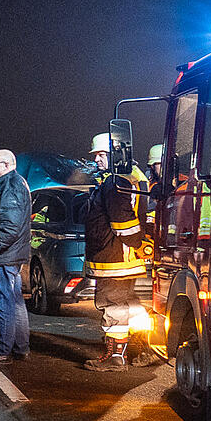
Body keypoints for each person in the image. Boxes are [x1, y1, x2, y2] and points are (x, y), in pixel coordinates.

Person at [79, 131, 152, 371]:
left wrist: (134, 242)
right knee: (129, 303)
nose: (97, 159)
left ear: (115, 154)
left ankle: (115, 358)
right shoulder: (132, 176)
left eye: (101, 154)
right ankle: (142, 348)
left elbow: (122, 222)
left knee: (112, 305)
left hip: (114, 257)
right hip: (124, 257)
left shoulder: (114, 181)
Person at [0, 148, 32, 361]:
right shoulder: (16, 184)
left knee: (4, 305)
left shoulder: (10, 188)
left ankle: (3, 350)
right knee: (16, 302)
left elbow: (9, 228)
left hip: (4, 257)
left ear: (7, 165)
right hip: (11, 255)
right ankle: (21, 348)